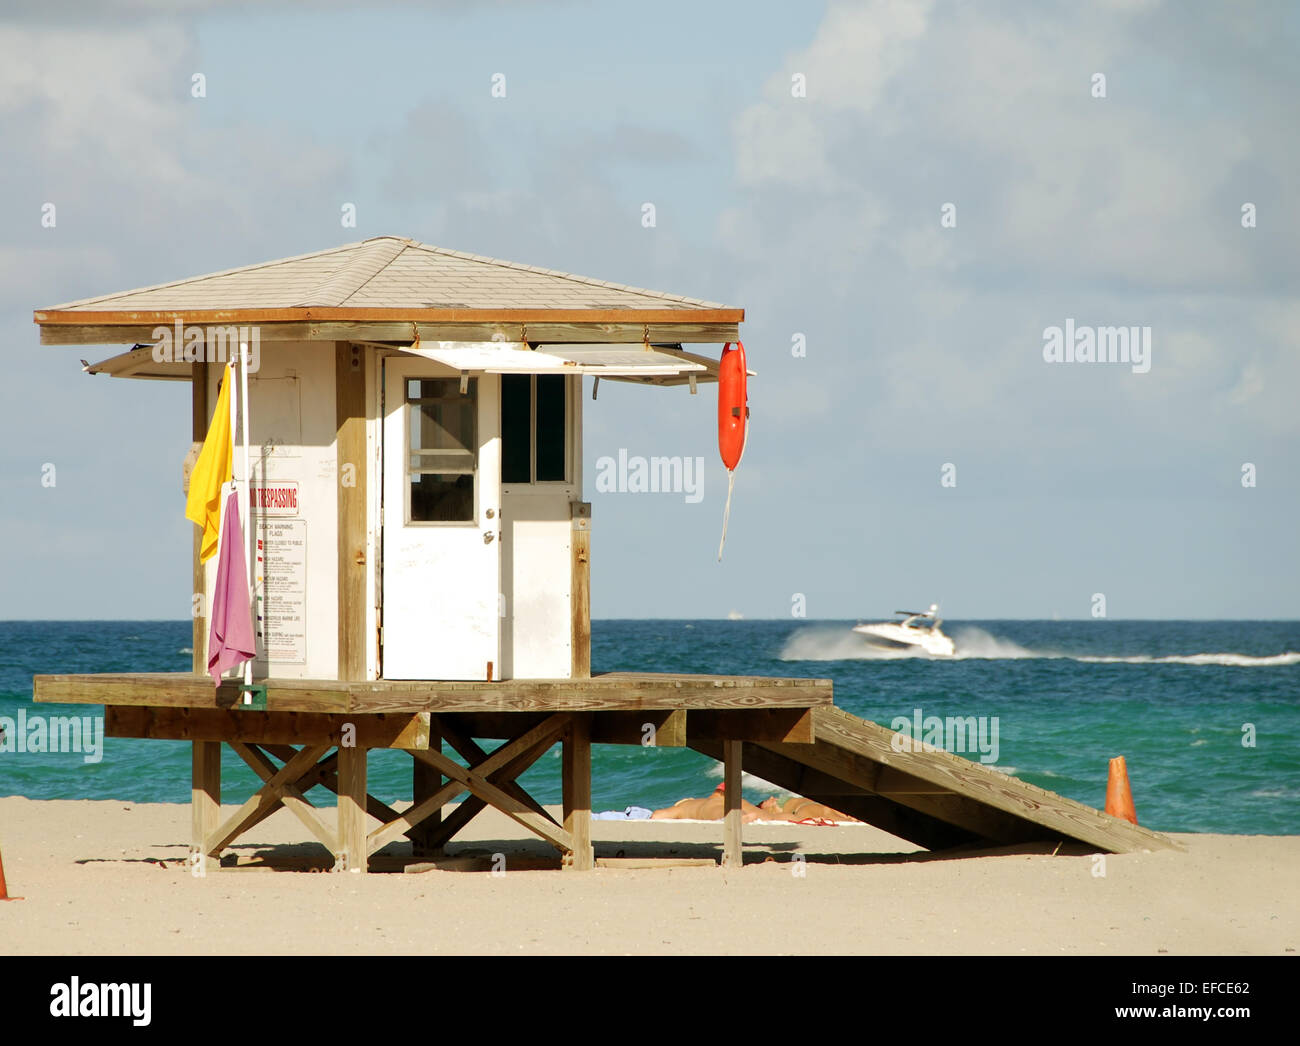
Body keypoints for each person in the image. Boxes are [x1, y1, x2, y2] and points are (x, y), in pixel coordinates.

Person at [650, 782, 763, 823]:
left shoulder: (685, 805)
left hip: (700, 810)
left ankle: (737, 817)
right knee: (719, 810)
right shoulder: (719, 801)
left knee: (717, 810)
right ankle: (739, 817)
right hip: (717, 808)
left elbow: (657, 816)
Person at [757, 795, 857, 823]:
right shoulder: (774, 808)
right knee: (829, 812)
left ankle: (848, 819)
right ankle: (848, 819)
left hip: (807, 806)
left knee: (827, 813)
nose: (771, 797)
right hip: (814, 804)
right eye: (765, 801)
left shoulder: (776, 808)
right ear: (764, 808)